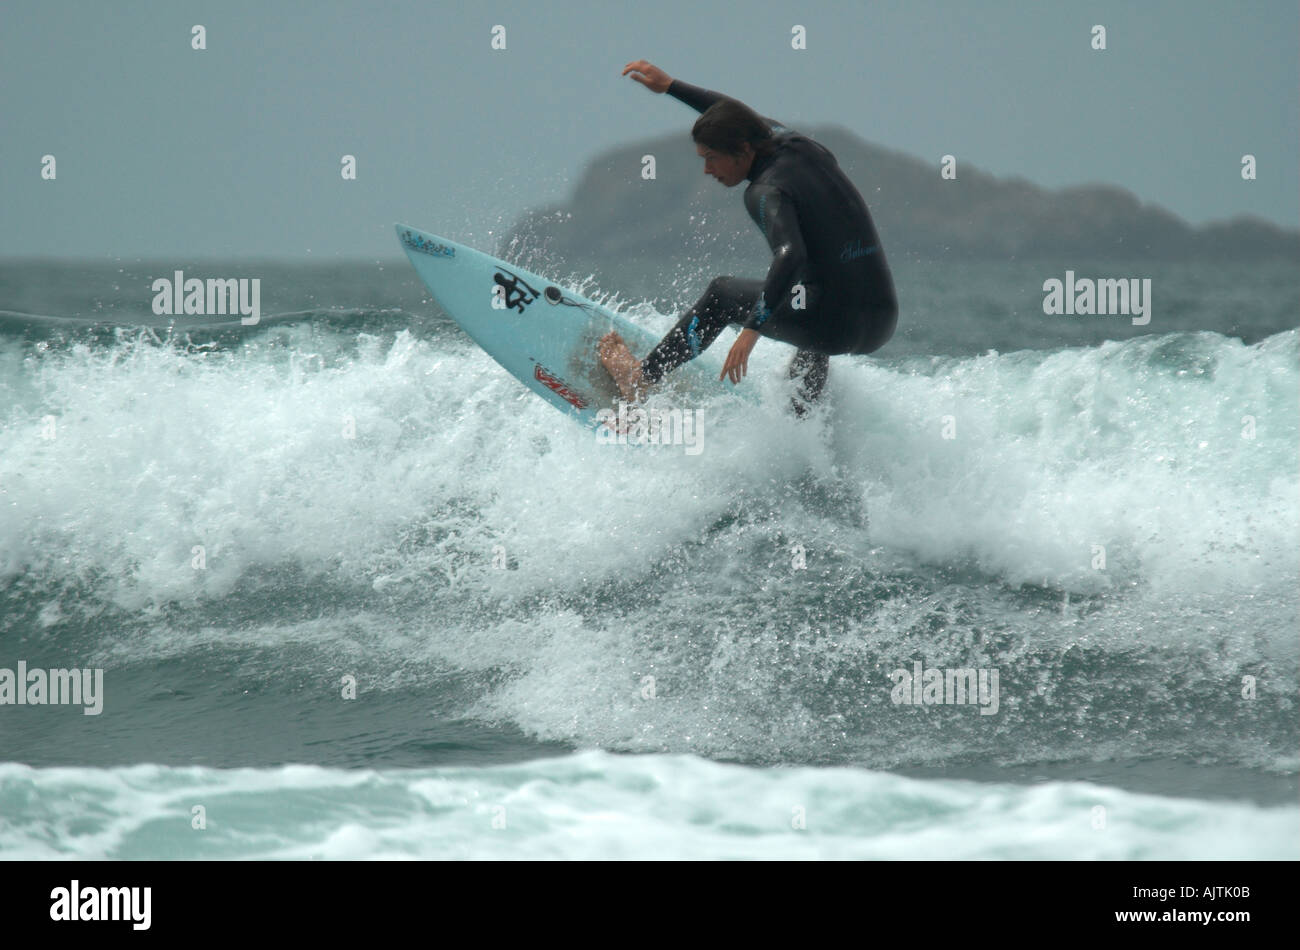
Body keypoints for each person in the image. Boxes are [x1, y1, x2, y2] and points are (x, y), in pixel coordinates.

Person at [598, 60, 899, 417]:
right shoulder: (797, 144)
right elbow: (739, 115)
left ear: (742, 151)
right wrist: (671, 86)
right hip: (880, 321)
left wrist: (750, 331)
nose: (707, 170)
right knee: (809, 293)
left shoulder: (765, 190)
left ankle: (641, 378)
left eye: (712, 158)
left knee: (722, 295)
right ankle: (804, 423)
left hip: (835, 326)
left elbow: (790, 255)